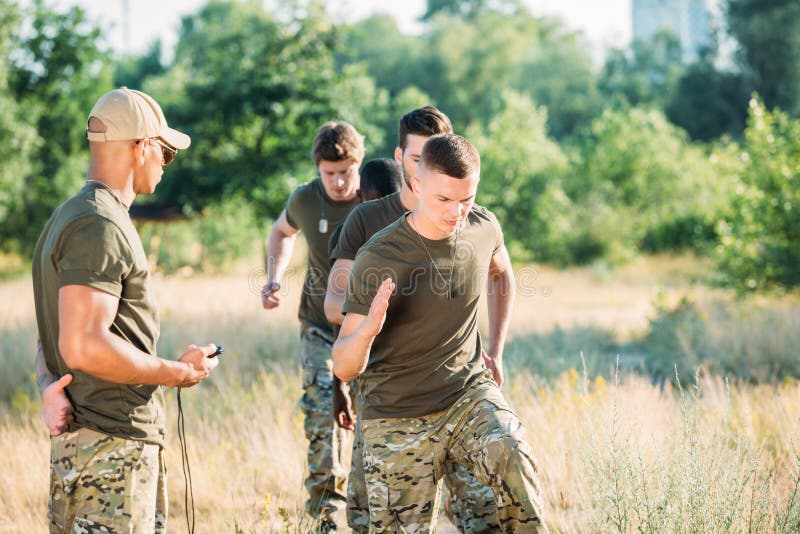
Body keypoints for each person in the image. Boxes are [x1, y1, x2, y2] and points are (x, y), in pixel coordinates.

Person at [333, 134, 544, 532]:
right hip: (396, 412)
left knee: (513, 450)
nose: (456, 211)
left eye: (465, 198)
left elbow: (502, 275)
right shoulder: (380, 255)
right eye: (443, 199)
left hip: (466, 393)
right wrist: (366, 331)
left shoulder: (482, 225)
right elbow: (344, 365)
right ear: (416, 184)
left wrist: (495, 349)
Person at [32, 87, 221, 533]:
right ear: (142, 147)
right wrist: (177, 372)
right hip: (110, 451)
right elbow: (82, 344)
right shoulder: (99, 224)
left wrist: (47, 386)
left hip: (91, 446)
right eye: (166, 152)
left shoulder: (70, 215)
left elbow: (55, 333)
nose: (164, 163)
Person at [260, 121, 364, 531]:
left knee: (369, 420)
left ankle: (367, 513)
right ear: (317, 169)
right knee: (322, 417)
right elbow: (281, 232)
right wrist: (273, 277)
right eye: (329, 173)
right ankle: (324, 519)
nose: (338, 182)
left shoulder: (378, 196)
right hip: (318, 327)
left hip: (366, 332)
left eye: (346, 172)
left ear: (358, 163)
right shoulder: (305, 198)